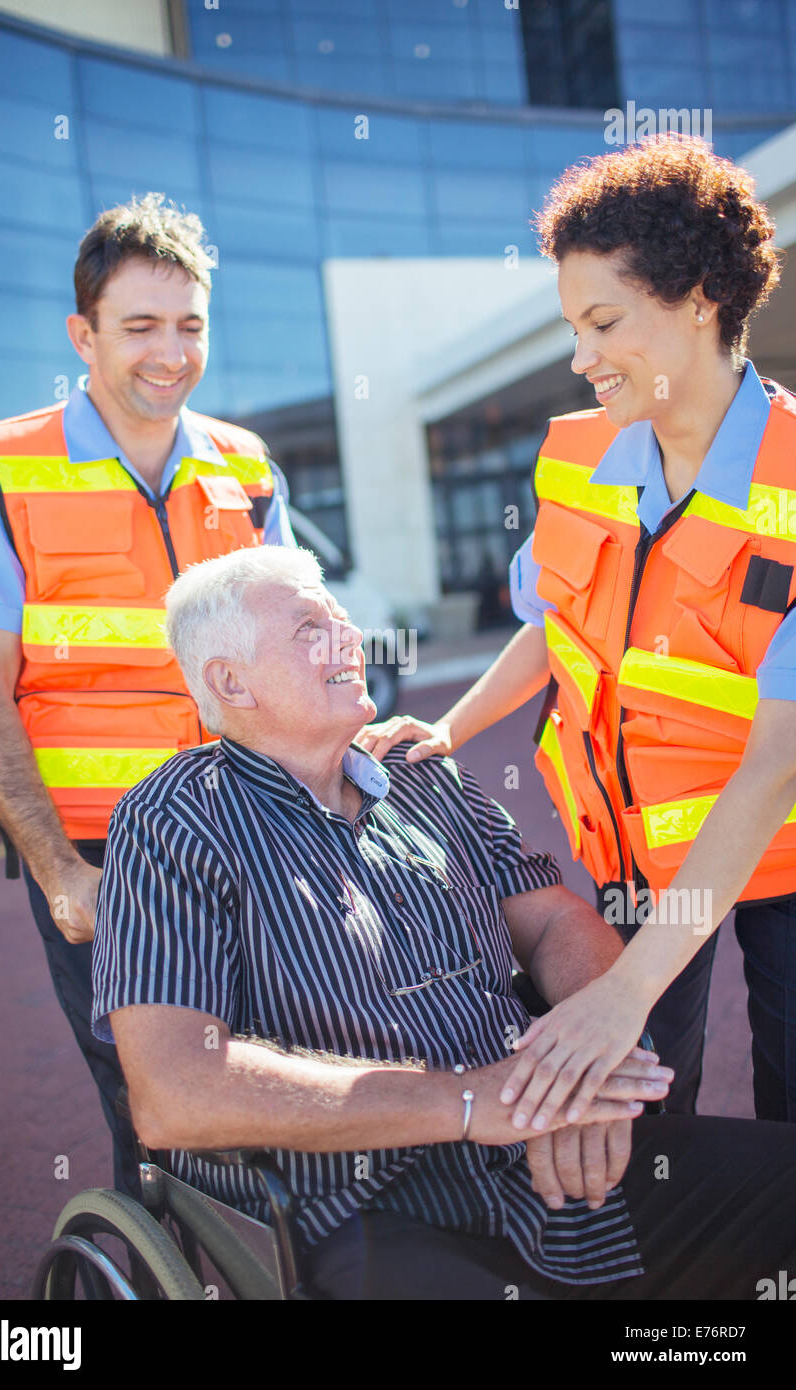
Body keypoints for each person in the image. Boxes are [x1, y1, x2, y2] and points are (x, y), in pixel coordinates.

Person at [91, 545, 796, 1301]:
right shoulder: (173, 819)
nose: (350, 638)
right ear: (230, 682)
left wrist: (586, 1062)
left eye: (343, 619)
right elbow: (174, 1092)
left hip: (547, 1160)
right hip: (363, 1211)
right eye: (307, 629)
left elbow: (556, 922)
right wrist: (470, 1102)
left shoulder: (424, 774)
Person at [359, 134, 796, 1126]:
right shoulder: (574, 459)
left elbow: (774, 767)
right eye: (570, 326)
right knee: (640, 1115)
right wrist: (450, 729)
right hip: (633, 855)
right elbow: (552, 621)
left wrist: (623, 989)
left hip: (779, 843)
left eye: (601, 322)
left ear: (697, 296)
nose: (578, 357)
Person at [0, 193, 295, 1198]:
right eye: (139, 327)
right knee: (153, 1106)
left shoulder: (247, 470)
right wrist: (56, 873)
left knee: (280, 1077)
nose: (169, 353)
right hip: (101, 860)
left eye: (190, 326)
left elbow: (288, 651)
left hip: (248, 834)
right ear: (81, 335)